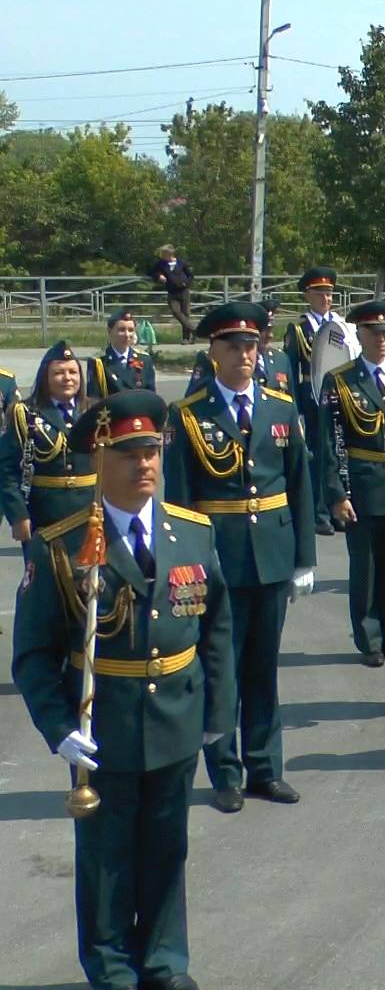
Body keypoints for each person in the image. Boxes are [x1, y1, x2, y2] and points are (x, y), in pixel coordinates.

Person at [11, 389, 232, 990]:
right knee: (108, 860)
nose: (146, 466)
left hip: (178, 719)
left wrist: (219, 710)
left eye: (153, 451)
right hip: (103, 724)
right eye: (129, 454)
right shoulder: (61, 545)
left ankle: (164, 962)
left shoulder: (193, 532)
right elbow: (32, 656)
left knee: (167, 851)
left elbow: (216, 629)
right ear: (99, 460)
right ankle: (111, 967)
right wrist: (59, 730)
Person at [164, 302, 315, 812]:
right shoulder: (190, 415)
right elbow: (180, 502)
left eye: (250, 346)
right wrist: (183, 565)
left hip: (271, 553)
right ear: (212, 353)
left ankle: (266, 768)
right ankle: (225, 772)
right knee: (219, 668)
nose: (243, 355)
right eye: (232, 346)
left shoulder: (280, 407)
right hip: (217, 558)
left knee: (263, 669)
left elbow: (299, 483)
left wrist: (304, 558)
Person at [315, 301, 385, 667]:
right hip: (361, 483)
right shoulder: (341, 380)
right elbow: (330, 442)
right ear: (360, 335)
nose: (382, 339)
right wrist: (336, 493)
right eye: (374, 333)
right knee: (366, 565)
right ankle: (370, 638)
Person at [0, 342, 97, 545]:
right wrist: (18, 515)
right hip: (43, 515)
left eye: (73, 372)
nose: (67, 378)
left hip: (90, 514)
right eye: (59, 373)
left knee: (91, 576)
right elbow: (7, 469)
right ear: (46, 377)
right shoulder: (25, 413)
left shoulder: (96, 412)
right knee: (43, 576)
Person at [283, 268, 343, 534]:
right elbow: (291, 372)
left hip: (338, 398)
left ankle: (338, 506)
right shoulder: (299, 329)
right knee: (317, 456)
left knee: (338, 454)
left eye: (329, 293)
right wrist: (295, 410)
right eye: (320, 293)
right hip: (311, 398)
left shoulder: (340, 326)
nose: (326, 298)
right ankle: (318, 512)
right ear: (308, 295)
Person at [98, 309, 156, 394]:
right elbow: (95, 400)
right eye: (121, 330)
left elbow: (151, 396)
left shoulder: (144, 359)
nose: (127, 335)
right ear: (109, 331)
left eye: (131, 330)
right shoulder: (99, 362)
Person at [149, 244, 194, 343]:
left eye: (164, 253)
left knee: (186, 313)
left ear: (170, 254)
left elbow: (190, 275)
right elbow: (151, 272)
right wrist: (158, 276)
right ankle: (193, 329)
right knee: (176, 311)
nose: (162, 255)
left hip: (184, 291)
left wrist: (186, 283)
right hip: (172, 292)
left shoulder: (181, 262)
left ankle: (186, 338)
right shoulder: (161, 264)